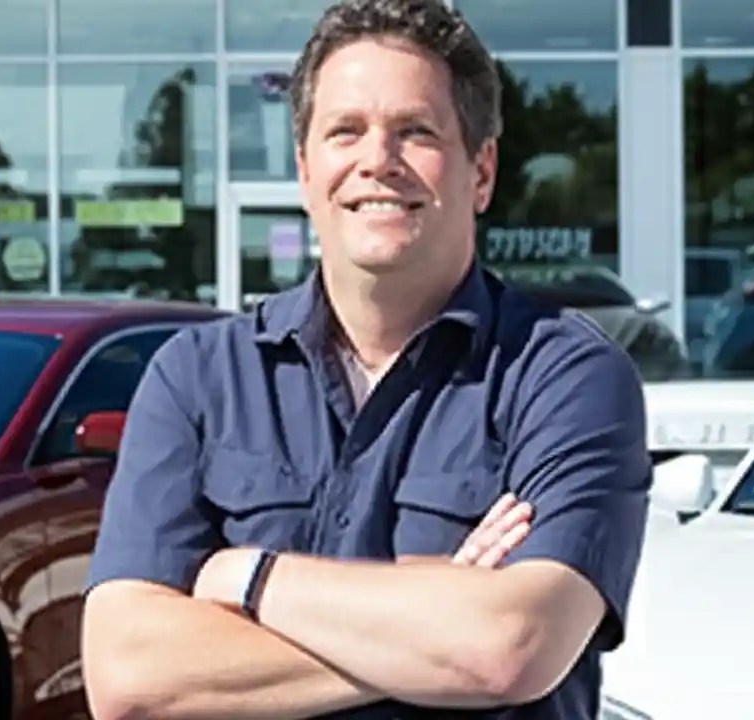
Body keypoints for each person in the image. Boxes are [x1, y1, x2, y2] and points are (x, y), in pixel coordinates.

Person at [80, 0, 652, 717]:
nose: (377, 162)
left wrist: (250, 579)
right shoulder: (197, 377)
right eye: (345, 131)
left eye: (415, 132)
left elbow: (510, 645)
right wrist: (435, 631)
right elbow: (127, 675)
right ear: (305, 170)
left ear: (481, 171)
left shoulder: (565, 377)